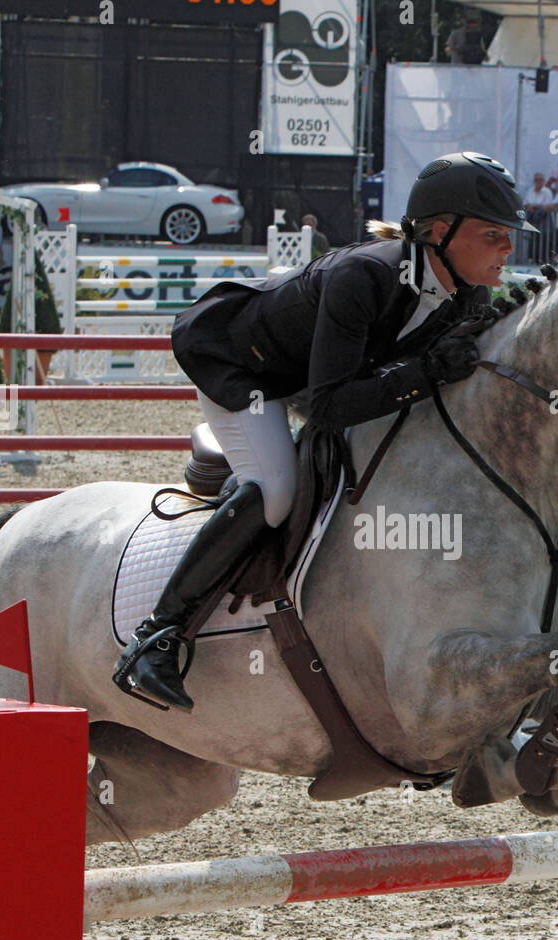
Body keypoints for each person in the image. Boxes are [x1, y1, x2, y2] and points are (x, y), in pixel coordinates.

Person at [116, 152, 534, 708]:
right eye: (493, 234)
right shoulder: (366, 276)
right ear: (440, 231)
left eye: (508, 235)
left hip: (321, 374)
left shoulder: (468, 295)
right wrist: (425, 373)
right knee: (275, 490)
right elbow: (331, 405)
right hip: (249, 369)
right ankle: (156, 640)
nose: (509, 247)